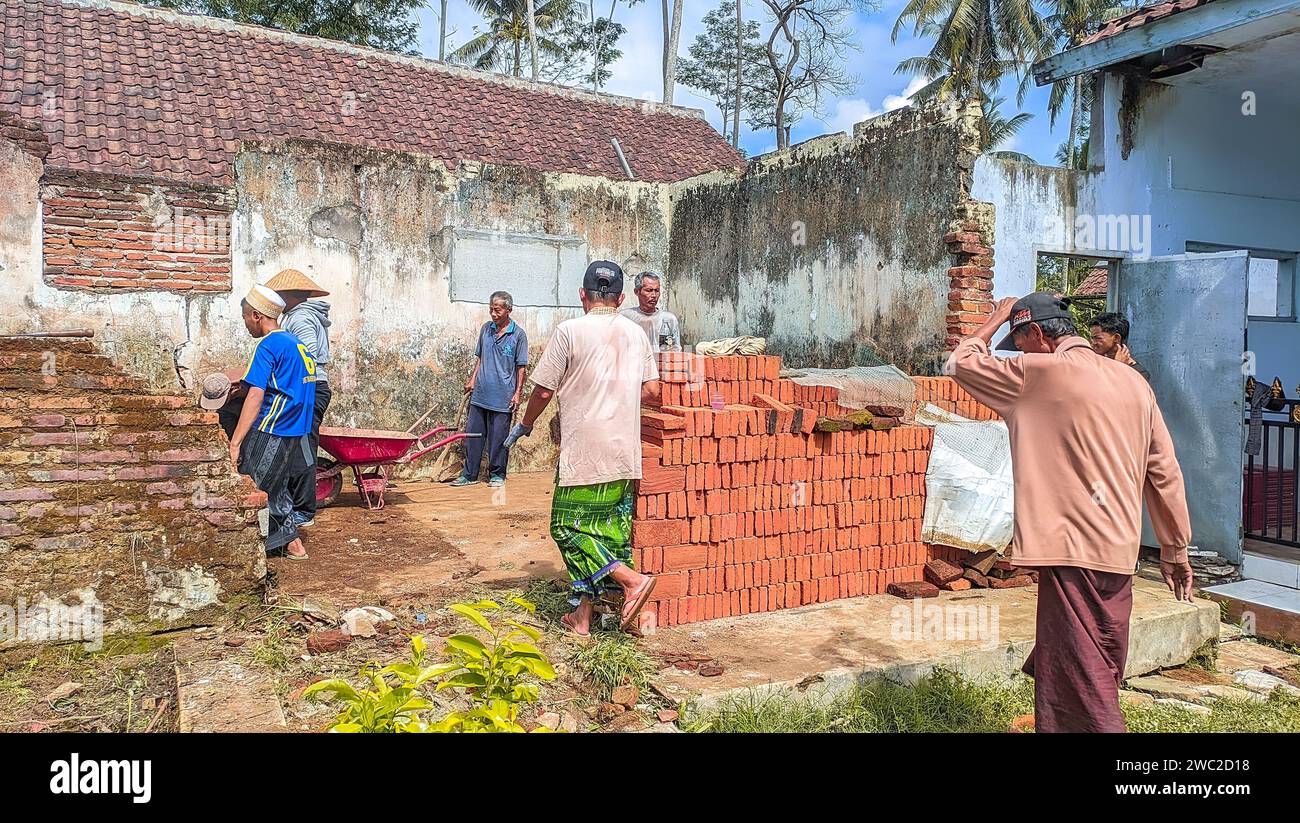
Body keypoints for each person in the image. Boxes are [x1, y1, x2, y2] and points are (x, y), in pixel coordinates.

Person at [949, 291, 1193, 733]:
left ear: (1037, 334)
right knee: (1094, 658)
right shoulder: (1134, 382)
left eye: (1019, 342)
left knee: (1084, 684)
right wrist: (1175, 549)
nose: (1018, 352)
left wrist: (995, 318)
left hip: (1071, 551)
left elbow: (960, 364)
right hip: (1120, 551)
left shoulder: (1038, 372)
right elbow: (1164, 471)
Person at [503, 261, 660, 637]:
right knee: (608, 534)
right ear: (622, 298)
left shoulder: (569, 331)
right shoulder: (636, 333)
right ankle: (584, 619)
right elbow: (653, 392)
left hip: (585, 455)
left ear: (582, 296)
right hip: (625, 455)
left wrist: (525, 424)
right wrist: (619, 397)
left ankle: (632, 581)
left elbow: (542, 390)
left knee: (567, 529)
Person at [225, 285, 318, 560]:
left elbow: (256, 395)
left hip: (273, 426)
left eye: (244, 317)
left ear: (256, 315)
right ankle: (291, 545)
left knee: (256, 483)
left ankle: (258, 545)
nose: (245, 324)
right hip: (295, 426)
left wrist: (236, 441)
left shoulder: (268, 345)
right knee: (276, 484)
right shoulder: (295, 343)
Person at [264, 268, 333, 526]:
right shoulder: (299, 316)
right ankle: (298, 504)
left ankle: (304, 510)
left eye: (278, 296)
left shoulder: (301, 318)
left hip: (309, 388)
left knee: (302, 449)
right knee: (299, 447)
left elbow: (307, 356)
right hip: (311, 386)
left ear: (288, 295)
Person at [454, 291, 528, 488]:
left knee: (498, 439)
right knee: (473, 436)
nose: (493, 314)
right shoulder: (486, 329)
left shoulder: (518, 335)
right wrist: (472, 380)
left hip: (503, 396)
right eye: (491, 310)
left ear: (508, 310)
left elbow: (521, 367)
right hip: (480, 394)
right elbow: (480, 358)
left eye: (497, 310)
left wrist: (517, 393)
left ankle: (497, 475)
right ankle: (469, 475)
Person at [620, 271, 682, 353]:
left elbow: (676, 350)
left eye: (657, 291)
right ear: (636, 292)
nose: (654, 295)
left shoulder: (669, 319)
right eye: (649, 290)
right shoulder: (625, 317)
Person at [1089, 311, 1151, 382]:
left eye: (1098, 338)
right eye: (1092, 338)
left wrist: (1118, 367)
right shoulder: (1097, 362)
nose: (1093, 343)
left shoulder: (1138, 373)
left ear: (1116, 338)